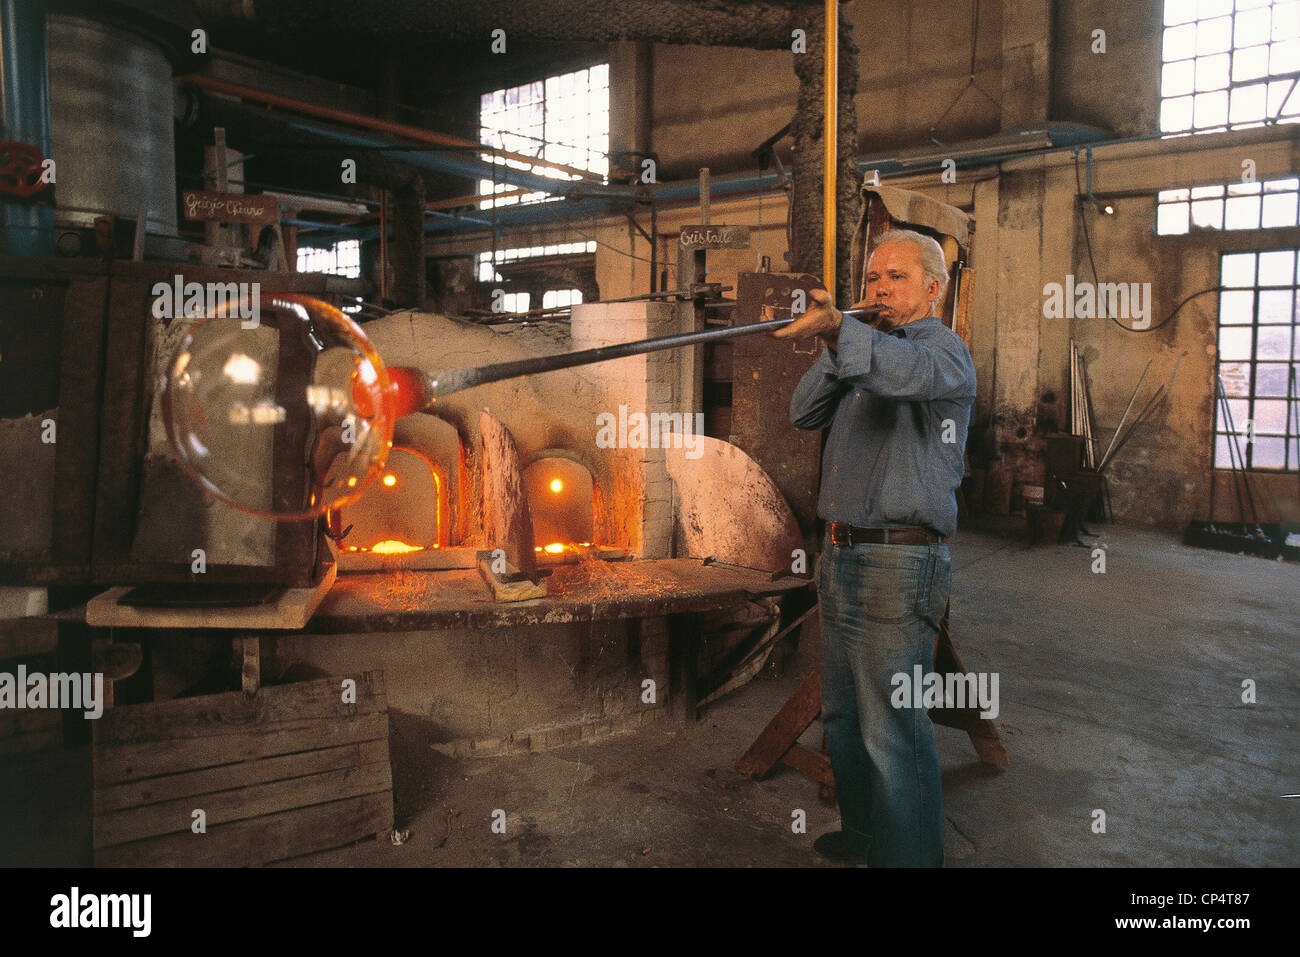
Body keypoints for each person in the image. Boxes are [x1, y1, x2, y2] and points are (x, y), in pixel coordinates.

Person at [772, 229, 976, 867]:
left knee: (893, 728)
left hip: (898, 563)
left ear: (934, 289)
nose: (879, 289)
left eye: (896, 278)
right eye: (872, 280)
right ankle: (865, 837)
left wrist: (843, 334)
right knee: (844, 719)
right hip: (843, 558)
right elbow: (803, 412)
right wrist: (836, 340)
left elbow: (906, 374)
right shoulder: (865, 352)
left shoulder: (942, 354)